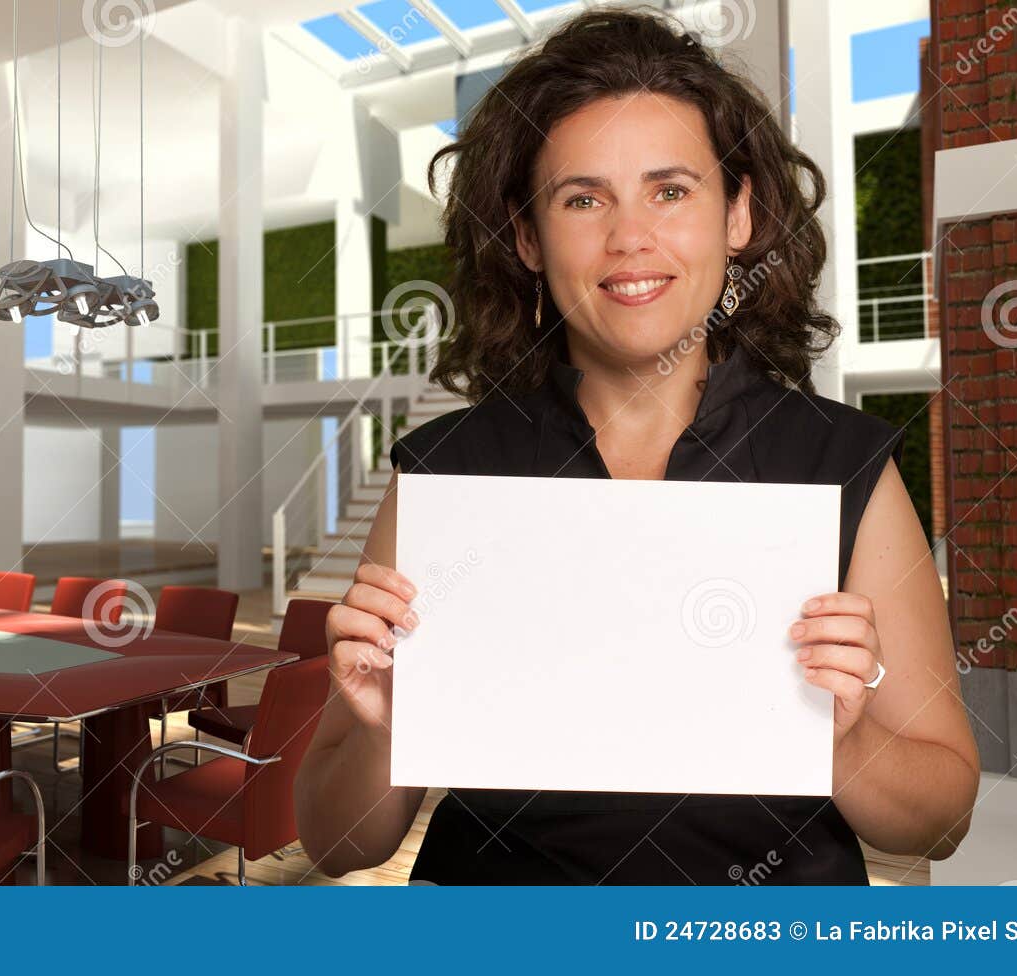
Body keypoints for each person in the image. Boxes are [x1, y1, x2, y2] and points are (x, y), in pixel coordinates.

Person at [293, 7, 980, 885]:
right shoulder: (448, 473)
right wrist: (387, 729)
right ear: (528, 237)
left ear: (739, 214)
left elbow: (943, 820)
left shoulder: (840, 464)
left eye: (671, 190)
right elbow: (338, 842)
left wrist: (843, 739)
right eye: (584, 198)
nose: (630, 238)